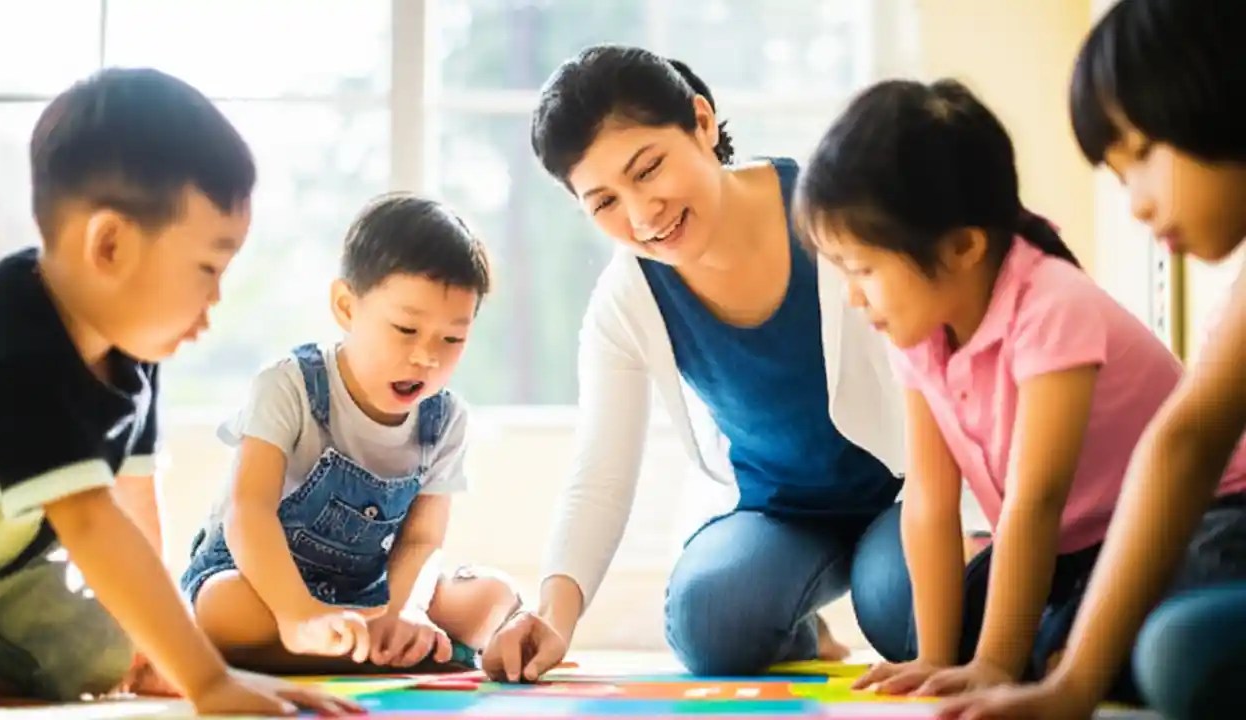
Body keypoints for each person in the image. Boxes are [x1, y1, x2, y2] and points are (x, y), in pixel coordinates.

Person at [795, 75, 1246, 703]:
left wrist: (995, 666)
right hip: (1072, 549)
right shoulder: (918, 330)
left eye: (863, 269)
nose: (853, 295)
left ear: (961, 248)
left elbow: (1037, 501)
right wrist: (934, 654)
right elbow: (928, 499)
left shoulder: (1051, 303)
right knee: (916, 619)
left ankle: (1067, 652)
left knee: (1046, 637)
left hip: (1191, 521)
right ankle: (1058, 645)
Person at [482, 44, 909, 682]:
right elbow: (600, 471)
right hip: (780, 514)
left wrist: (977, 520)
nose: (641, 214)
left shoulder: (834, 215)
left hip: (910, 492)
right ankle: (796, 625)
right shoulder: (627, 299)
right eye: (603, 203)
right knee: (710, 620)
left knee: (906, 611)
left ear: (702, 122)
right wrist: (552, 615)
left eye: (648, 168)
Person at [0, 68, 359, 716]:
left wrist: (175, 656)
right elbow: (90, 522)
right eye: (207, 267)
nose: (216, 298)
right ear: (111, 244)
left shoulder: (131, 352)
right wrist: (209, 684)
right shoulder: (14, 354)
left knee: (106, 655)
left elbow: (133, 502)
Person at [935, 1, 1246, 718]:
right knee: (1162, 644)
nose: (1135, 203)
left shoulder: (1050, 301)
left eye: (1141, 155)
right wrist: (1070, 685)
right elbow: (1184, 440)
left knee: (1176, 651)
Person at [180, 194, 520, 674]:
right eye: (405, 329)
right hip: (264, 583)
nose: (426, 357)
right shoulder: (290, 385)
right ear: (345, 307)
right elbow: (247, 510)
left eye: (452, 339)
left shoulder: (445, 420)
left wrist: (404, 611)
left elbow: (422, 541)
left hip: (366, 592)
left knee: (492, 596)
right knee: (222, 606)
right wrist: (299, 615)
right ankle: (352, 648)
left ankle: (365, 642)